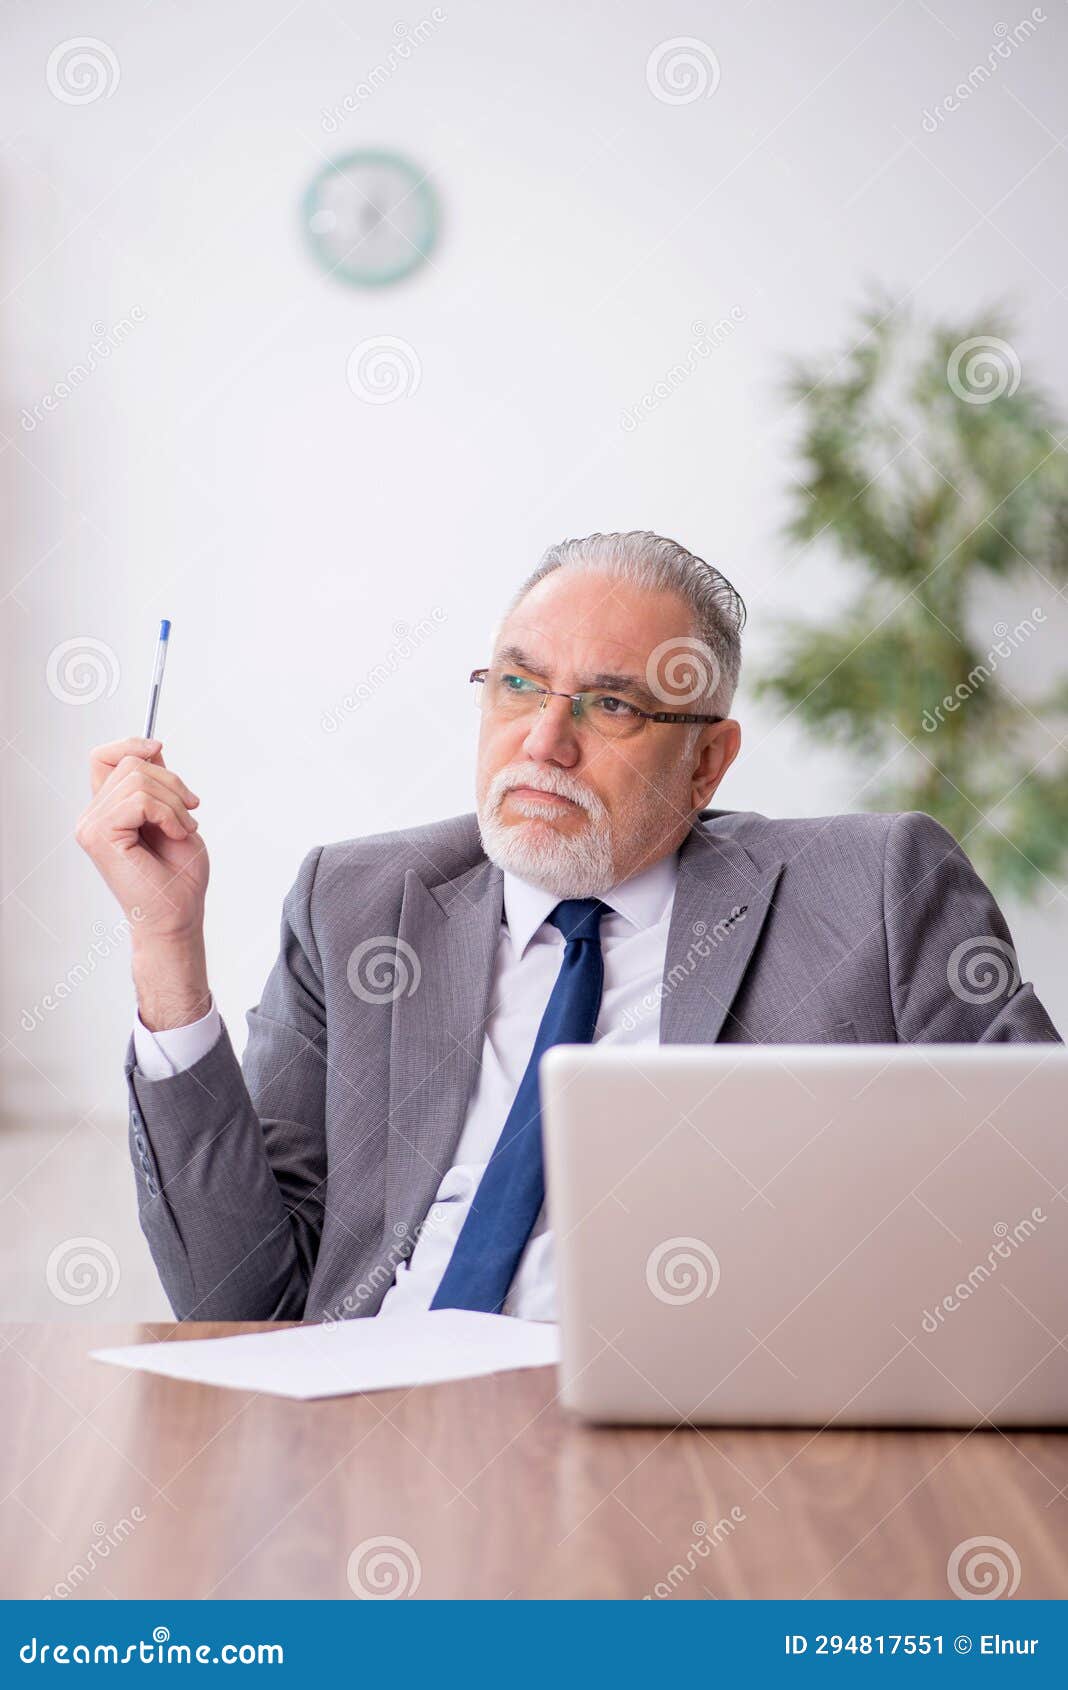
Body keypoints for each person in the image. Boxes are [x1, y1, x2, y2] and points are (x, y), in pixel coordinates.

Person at [75, 532, 1060, 1323]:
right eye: (517, 685)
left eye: (610, 705)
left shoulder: (872, 891)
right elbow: (240, 1299)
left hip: (708, 1450)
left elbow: (1038, 1216)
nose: (544, 742)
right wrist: (167, 945)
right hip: (374, 1432)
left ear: (708, 763)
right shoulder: (359, 904)